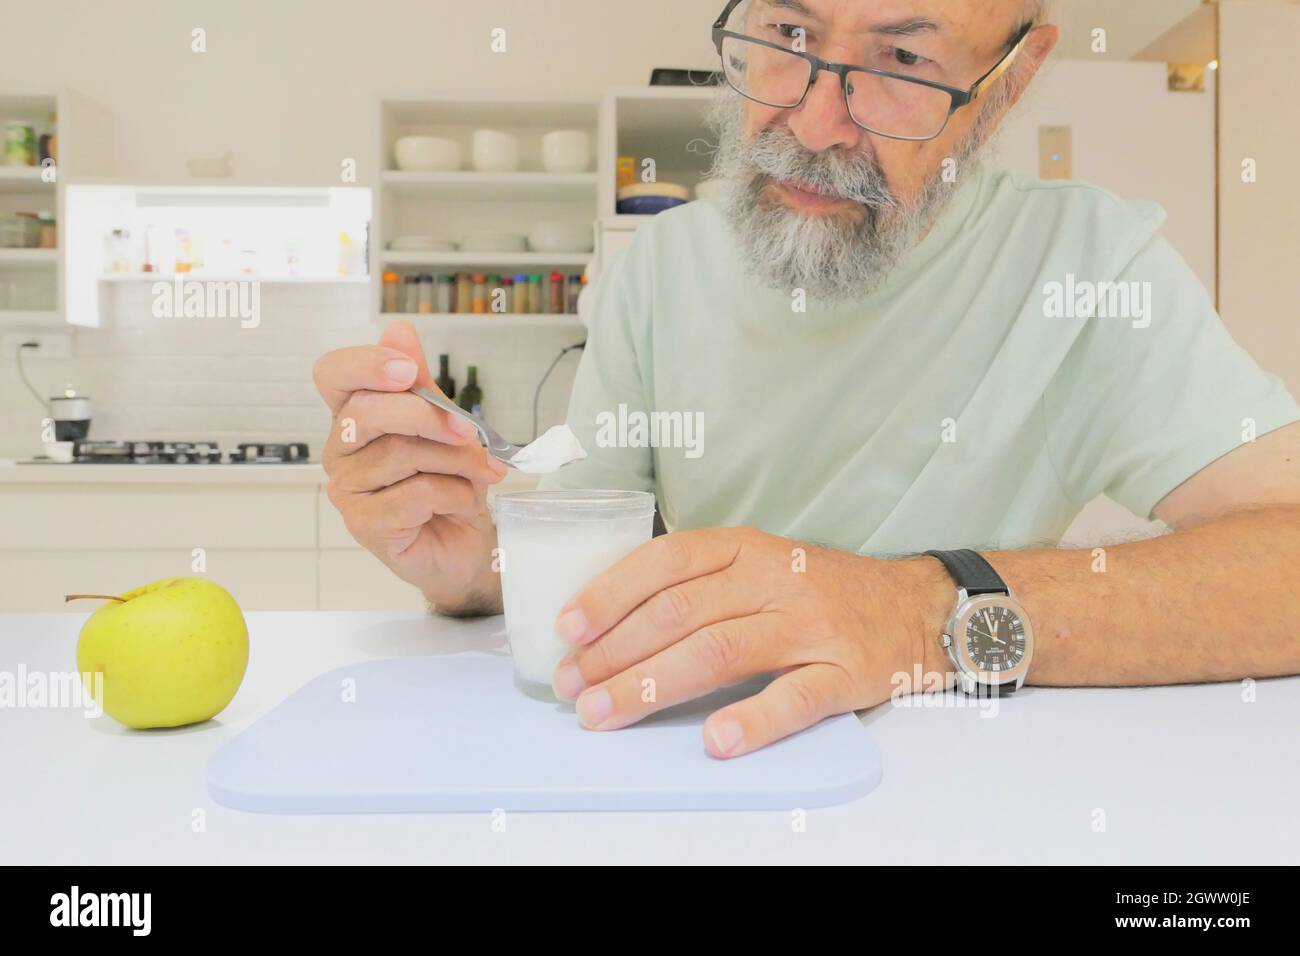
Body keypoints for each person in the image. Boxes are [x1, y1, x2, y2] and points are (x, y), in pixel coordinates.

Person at [313, 0, 1300, 757]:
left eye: (902, 60)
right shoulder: (657, 268)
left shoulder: (1086, 266)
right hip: (701, 772)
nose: (815, 122)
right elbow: (581, 578)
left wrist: (920, 610)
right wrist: (469, 564)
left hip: (970, 797)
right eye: (788, 30)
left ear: (1009, 77)